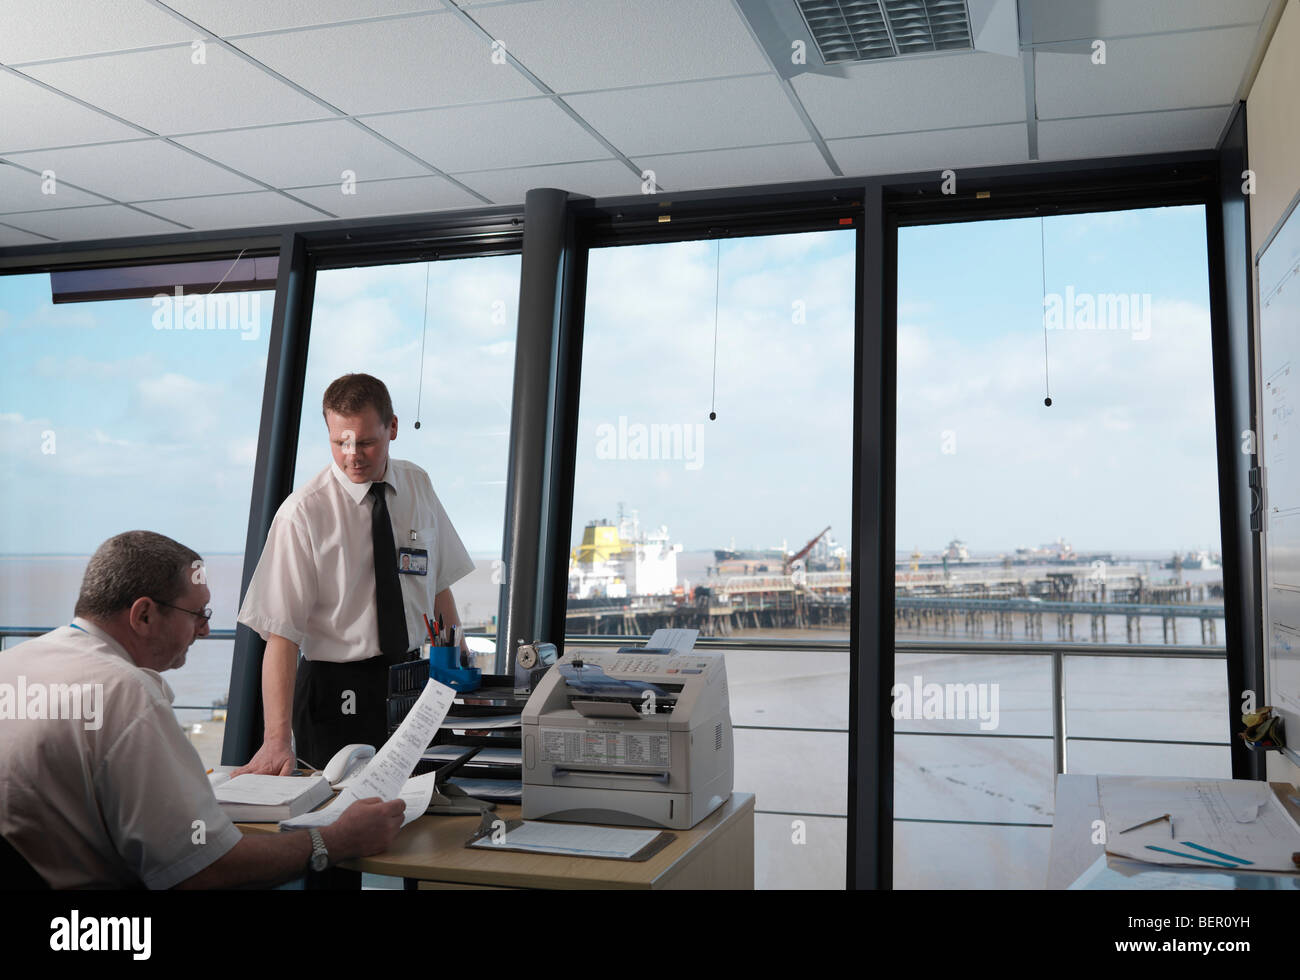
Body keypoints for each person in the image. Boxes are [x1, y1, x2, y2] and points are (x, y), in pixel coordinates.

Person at [0, 531, 405, 889]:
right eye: (197, 614)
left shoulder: (13, 665)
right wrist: (336, 840)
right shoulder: (127, 694)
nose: (206, 630)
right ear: (144, 615)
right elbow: (203, 871)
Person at [235, 373, 475, 776]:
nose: (352, 456)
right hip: (335, 690)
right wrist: (276, 740)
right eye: (340, 442)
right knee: (338, 809)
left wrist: (462, 672)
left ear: (392, 427)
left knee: (424, 798)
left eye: (365, 442)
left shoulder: (417, 485)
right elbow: (281, 635)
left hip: (412, 681)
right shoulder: (303, 513)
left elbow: (439, 587)